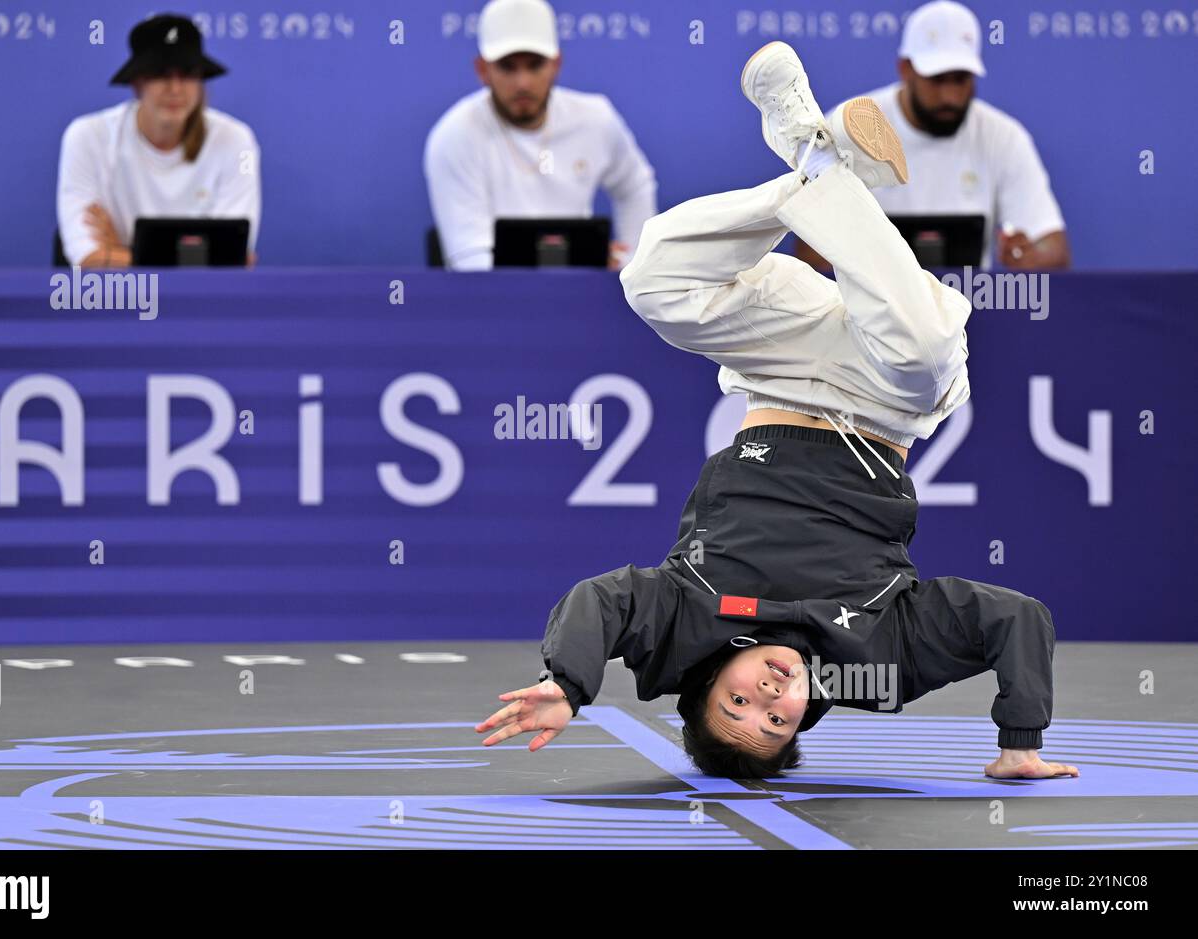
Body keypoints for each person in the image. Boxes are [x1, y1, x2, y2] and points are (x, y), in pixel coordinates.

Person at [475, 42, 1078, 782]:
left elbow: (597, 601)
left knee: (651, 280)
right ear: (802, 718)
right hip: (884, 402)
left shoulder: (679, 621)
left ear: (709, 677)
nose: (765, 698)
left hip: (779, 377)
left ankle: (810, 172)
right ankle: (821, 169)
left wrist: (567, 681)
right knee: (924, 344)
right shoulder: (880, 664)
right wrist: (1021, 736)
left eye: (734, 705)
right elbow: (1020, 616)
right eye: (775, 722)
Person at [794, 0, 1069, 272]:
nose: (949, 96)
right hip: (866, 310)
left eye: (960, 79)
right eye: (937, 79)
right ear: (905, 69)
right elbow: (809, 253)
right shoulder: (848, 128)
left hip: (972, 307)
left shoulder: (1004, 136)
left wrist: (1029, 256)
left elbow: (1053, 249)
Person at [423, 0, 656, 271]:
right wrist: (572, 263)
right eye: (507, 67)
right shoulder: (454, 135)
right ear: (483, 70)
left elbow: (636, 186)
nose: (523, 82)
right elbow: (471, 262)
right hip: (495, 306)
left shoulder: (597, 118)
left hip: (584, 300)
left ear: (556, 65)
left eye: (535, 65)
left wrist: (633, 267)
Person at [56, 13, 261, 268]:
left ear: (201, 82)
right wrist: (196, 259)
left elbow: (231, 254)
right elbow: (85, 257)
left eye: (187, 74)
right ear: (136, 82)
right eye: (160, 74)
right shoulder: (87, 137)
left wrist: (119, 251)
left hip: (202, 302)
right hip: (118, 300)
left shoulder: (237, 143)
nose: (175, 89)